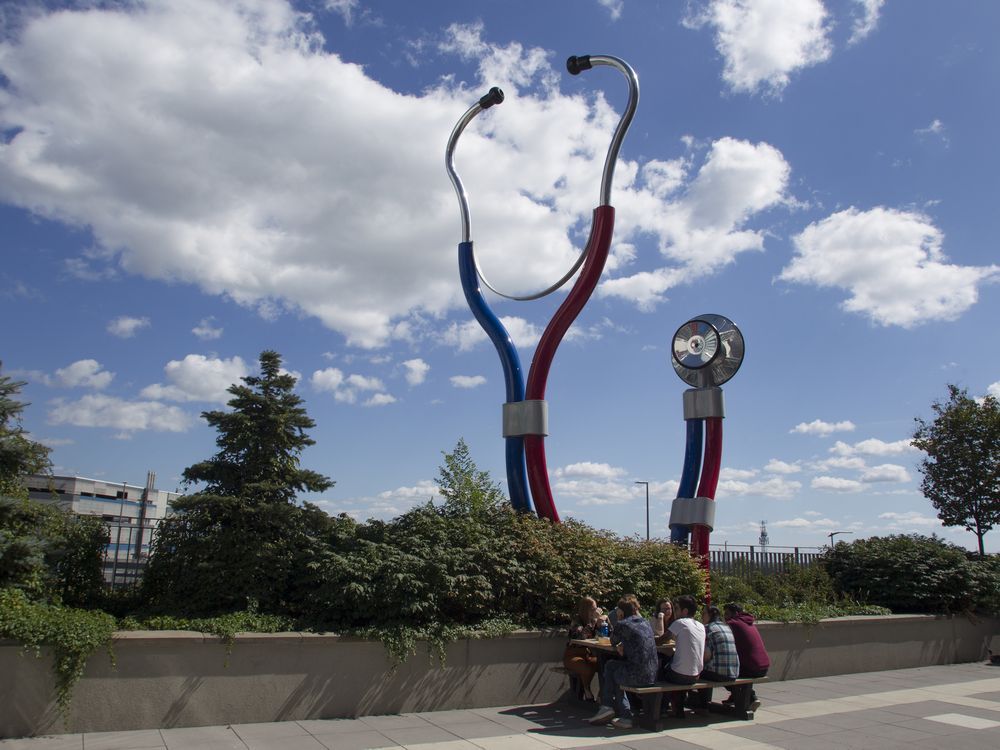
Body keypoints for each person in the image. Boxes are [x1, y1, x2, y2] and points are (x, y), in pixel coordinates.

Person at [588, 594, 658, 730]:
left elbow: (613, 640)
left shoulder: (622, 624)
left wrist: (616, 622)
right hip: (653, 674)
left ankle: (614, 710)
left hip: (637, 675)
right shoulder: (646, 622)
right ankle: (613, 709)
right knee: (613, 667)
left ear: (620, 611)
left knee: (612, 670)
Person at [724, 603, 769, 707]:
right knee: (742, 666)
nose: (725, 618)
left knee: (723, 674)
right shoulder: (749, 622)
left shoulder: (733, 624)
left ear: (735, 614)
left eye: (727, 614)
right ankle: (736, 697)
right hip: (763, 666)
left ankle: (751, 697)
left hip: (752, 667)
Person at [563, 596, 601, 701]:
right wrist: (592, 622)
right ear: (586, 610)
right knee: (586, 668)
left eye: (596, 609)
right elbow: (579, 636)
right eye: (593, 609)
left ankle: (602, 695)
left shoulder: (594, 621)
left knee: (603, 665)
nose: (595, 612)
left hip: (588, 654)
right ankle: (587, 689)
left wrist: (603, 622)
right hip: (573, 655)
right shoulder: (577, 620)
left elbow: (603, 635)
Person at [662, 595, 705, 685]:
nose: (675, 612)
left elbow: (663, 639)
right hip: (696, 676)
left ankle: (659, 698)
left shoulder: (680, 622)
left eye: (677, 609)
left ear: (685, 611)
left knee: (661, 665)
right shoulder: (701, 626)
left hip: (678, 676)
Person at [700, 605, 739, 682]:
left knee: (692, 673)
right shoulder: (726, 627)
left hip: (717, 673)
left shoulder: (708, 628)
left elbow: (706, 657)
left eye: (703, 614)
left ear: (710, 615)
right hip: (734, 673)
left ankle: (702, 694)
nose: (701, 617)